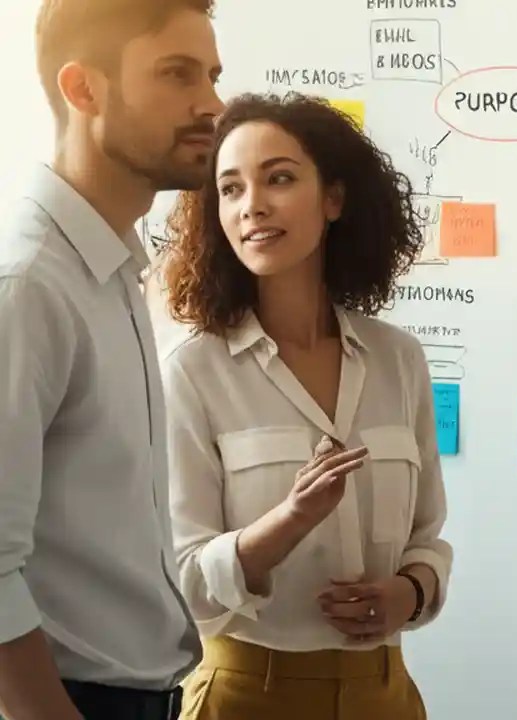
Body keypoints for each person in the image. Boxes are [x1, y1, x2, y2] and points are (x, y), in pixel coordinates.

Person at [157, 92, 452, 719]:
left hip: (385, 693)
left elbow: (428, 538)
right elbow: (184, 582)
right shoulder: (192, 371)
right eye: (230, 189)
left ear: (334, 199)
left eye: (280, 178)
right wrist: (289, 520)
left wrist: (409, 593)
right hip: (244, 693)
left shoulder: (398, 358)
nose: (252, 205)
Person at [0, 1, 223, 718]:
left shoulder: (112, 268)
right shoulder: (28, 284)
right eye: (177, 74)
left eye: (212, 75)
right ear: (83, 89)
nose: (212, 104)